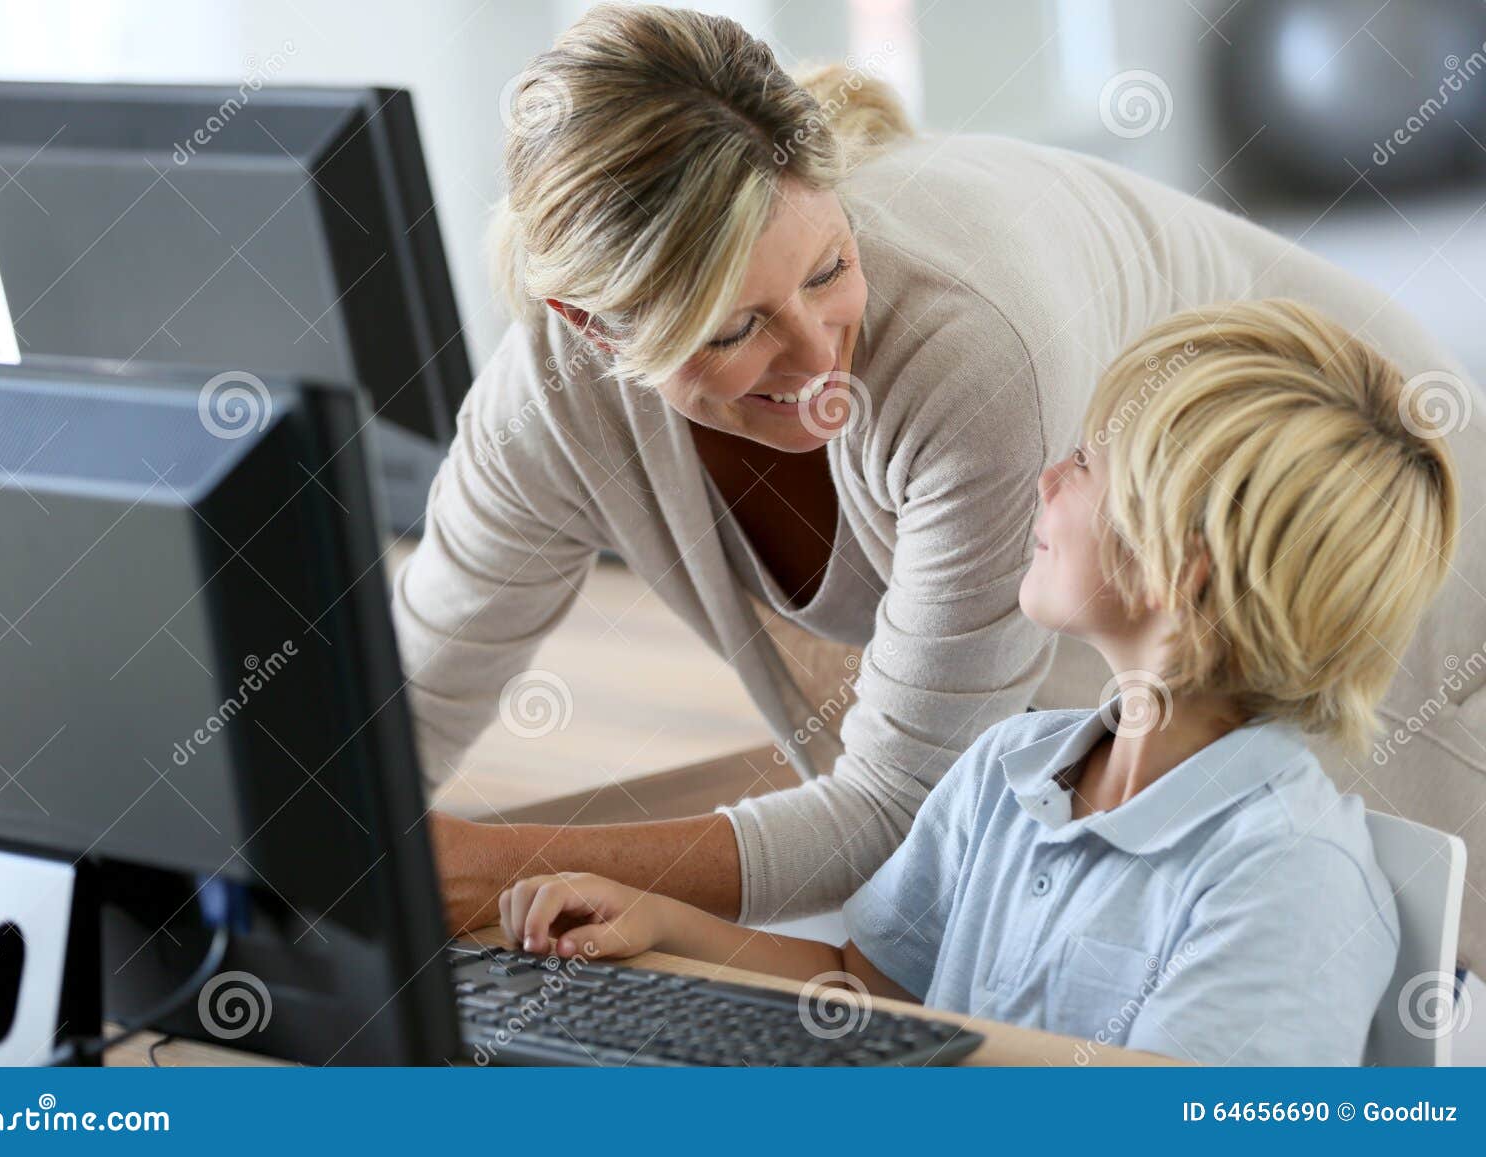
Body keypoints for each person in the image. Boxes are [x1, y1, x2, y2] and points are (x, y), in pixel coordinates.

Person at [395, 3, 1486, 959]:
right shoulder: (544, 405)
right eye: (735, 329)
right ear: (590, 328)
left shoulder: (971, 351)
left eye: (829, 268)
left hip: (1351, 526)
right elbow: (408, 701)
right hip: (1120, 584)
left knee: (1396, 959)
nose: (820, 357)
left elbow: (897, 803)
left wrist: (498, 865)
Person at [493, 300, 1460, 1065]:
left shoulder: (1289, 870)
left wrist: (935, 1058)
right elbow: (868, 990)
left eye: (1085, 460)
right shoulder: (1009, 766)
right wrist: (669, 923)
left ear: (1180, 565)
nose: (1047, 478)